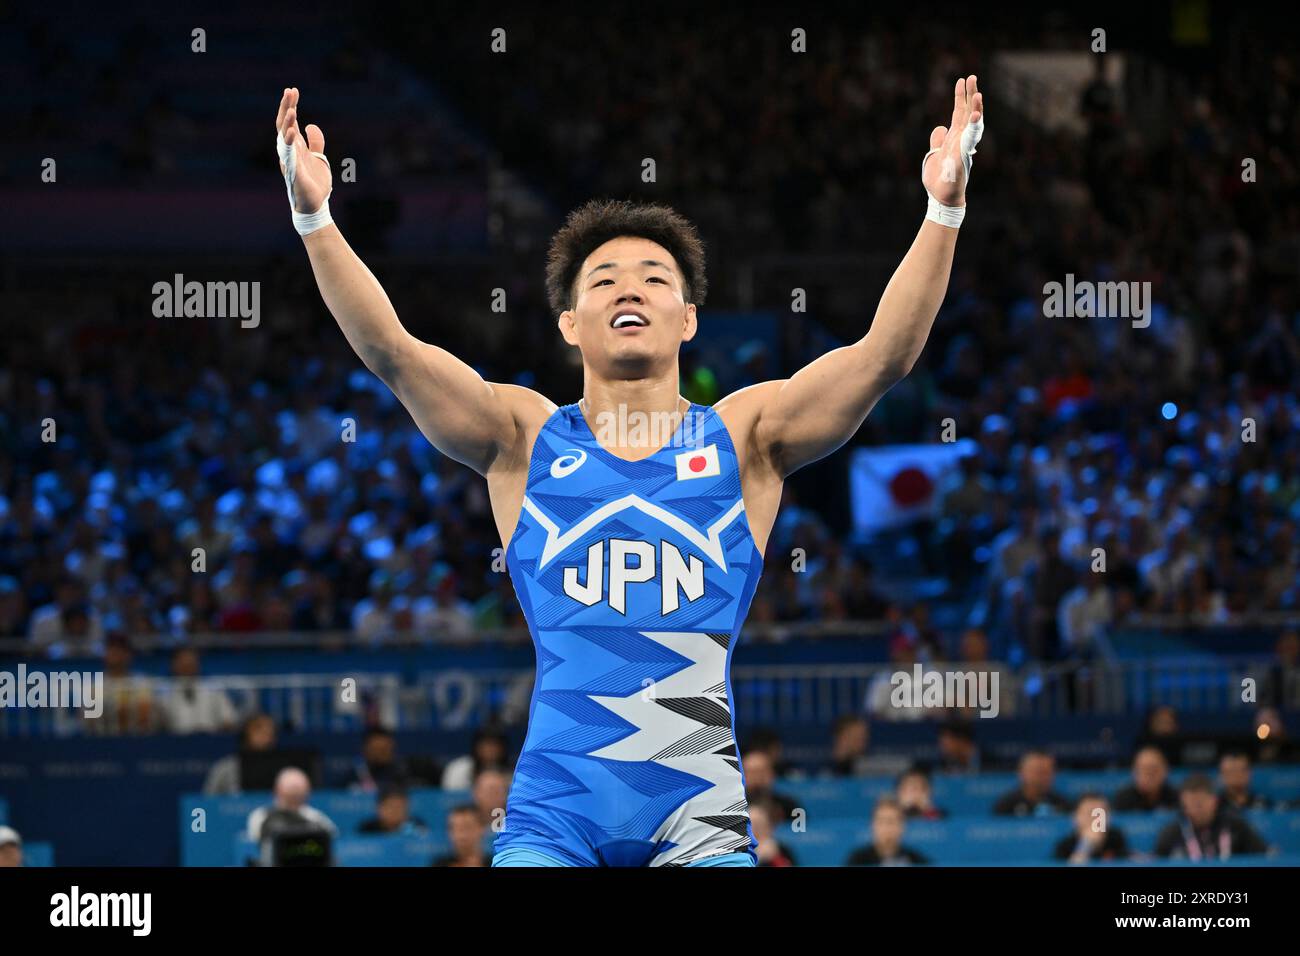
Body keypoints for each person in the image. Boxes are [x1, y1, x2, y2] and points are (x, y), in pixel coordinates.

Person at [273, 74, 985, 867]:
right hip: (555, 812)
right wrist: (315, 220)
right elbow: (393, 354)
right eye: (603, 280)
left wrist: (942, 211)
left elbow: (881, 358)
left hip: (699, 812)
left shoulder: (746, 436)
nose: (629, 290)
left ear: (687, 319)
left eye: (654, 278)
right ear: (570, 322)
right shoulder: (522, 435)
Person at [1154, 775, 1270, 861]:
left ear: (1214, 801)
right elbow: (1157, 862)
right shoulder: (1172, 832)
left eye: (1199, 804)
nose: (1193, 810)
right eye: (1187, 805)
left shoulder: (1237, 826)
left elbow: (1265, 856)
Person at [246, 767, 338, 843]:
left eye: (299, 790)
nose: (295, 793)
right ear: (277, 790)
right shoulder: (260, 816)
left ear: (307, 793)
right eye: (291, 789)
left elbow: (332, 836)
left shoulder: (316, 818)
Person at [160, 645, 238, 734]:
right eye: (183, 663)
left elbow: (229, 719)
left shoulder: (213, 688)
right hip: (174, 742)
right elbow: (155, 726)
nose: (187, 667)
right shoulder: (163, 692)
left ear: (198, 664)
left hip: (211, 740)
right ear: (173, 665)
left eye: (191, 663)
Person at [203, 713, 277, 795]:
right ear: (246, 732)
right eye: (258, 728)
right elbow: (207, 801)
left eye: (270, 731)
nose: (266, 734)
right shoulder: (225, 768)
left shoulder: (282, 770)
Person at [845, 798, 930, 866]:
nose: (886, 827)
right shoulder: (857, 861)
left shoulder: (916, 861)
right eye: (881, 821)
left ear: (902, 826)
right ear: (872, 825)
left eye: (891, 821)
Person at [1052, 793, 1130, 863]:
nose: (1096, 820)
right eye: (1089, 813)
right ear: (1076, 818)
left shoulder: (1116, 839)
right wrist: (1086, 845)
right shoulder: (1065, 846)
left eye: (1100, 814)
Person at [992, 751, 1071, 816]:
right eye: (1036, 772)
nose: (1041, 777)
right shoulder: (1005, 806)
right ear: (1021, 773)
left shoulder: (1063, 805)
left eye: (1046, 772)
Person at [338, 726, 411, 792]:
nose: (380, 754)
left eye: (384, 749)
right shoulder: (355, 774)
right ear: (365, 750)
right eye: (376, 749)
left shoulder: (403, 774)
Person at [441, 726, 510, 791]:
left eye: (495, 745)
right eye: (486, 745)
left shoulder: (514, 773)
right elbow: (449, 798)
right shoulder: (457, 769)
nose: (490, 750)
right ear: (476, 747)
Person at [1112, 747, 1179, 812]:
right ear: (1134, 772)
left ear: (1165, 771)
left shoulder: (1177, 798)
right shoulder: (1122, 799)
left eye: (1153, 770)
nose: (1147, 776)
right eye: (1143, 770)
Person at [357, 785, 428, 835]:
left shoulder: (417, 827)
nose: (395, 812)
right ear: (379, 808)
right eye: (391, 807)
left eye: (400, 807)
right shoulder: (366, 830)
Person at [749, 800, 797, 867]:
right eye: (751, 824)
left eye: (759, 824)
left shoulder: (781, 850)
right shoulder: (735, 849)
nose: (755, 829)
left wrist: (774, 857)